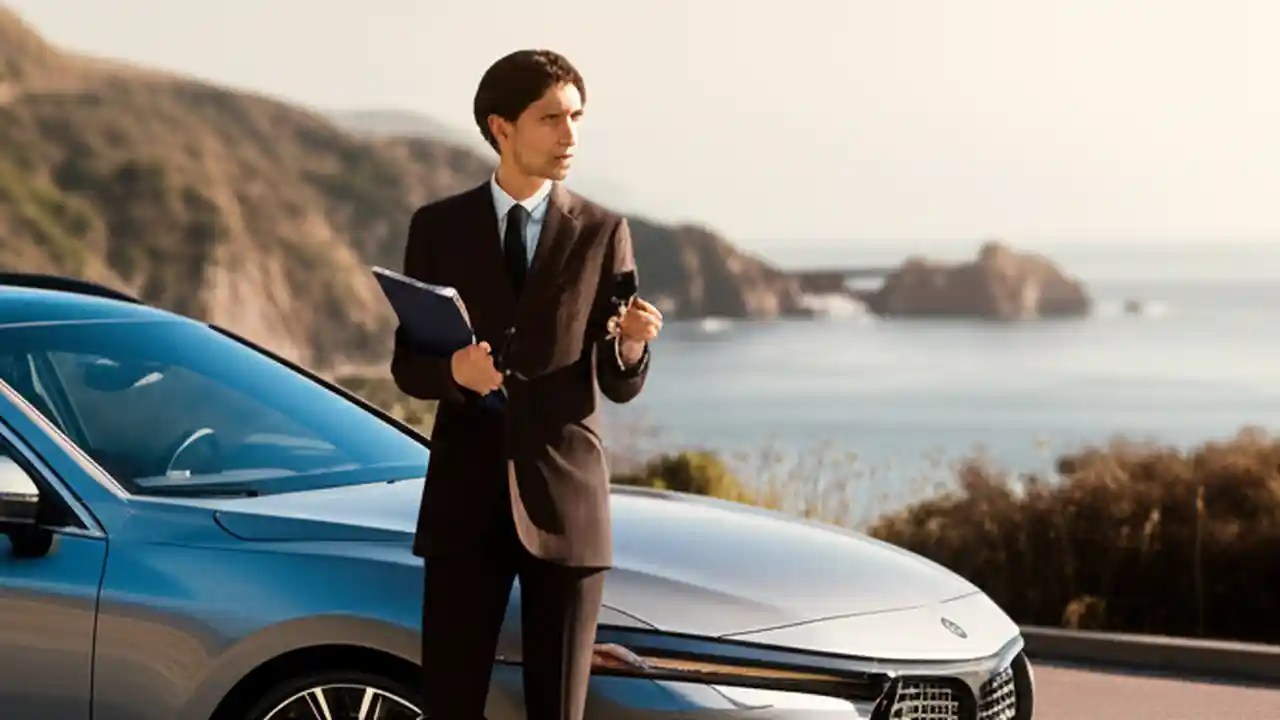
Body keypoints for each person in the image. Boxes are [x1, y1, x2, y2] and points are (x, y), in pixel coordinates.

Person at [390, 49, 663, 720]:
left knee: (559, 711)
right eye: (551, 119)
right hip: (463, 506)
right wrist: (456, 372)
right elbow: (406, 364)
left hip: (568, 508)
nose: (570, 136)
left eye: (576, 117)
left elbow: (616, 383)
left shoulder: (603, 232)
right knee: (450, 704)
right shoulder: (437, 227)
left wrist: (629, 346)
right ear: (501, 127)